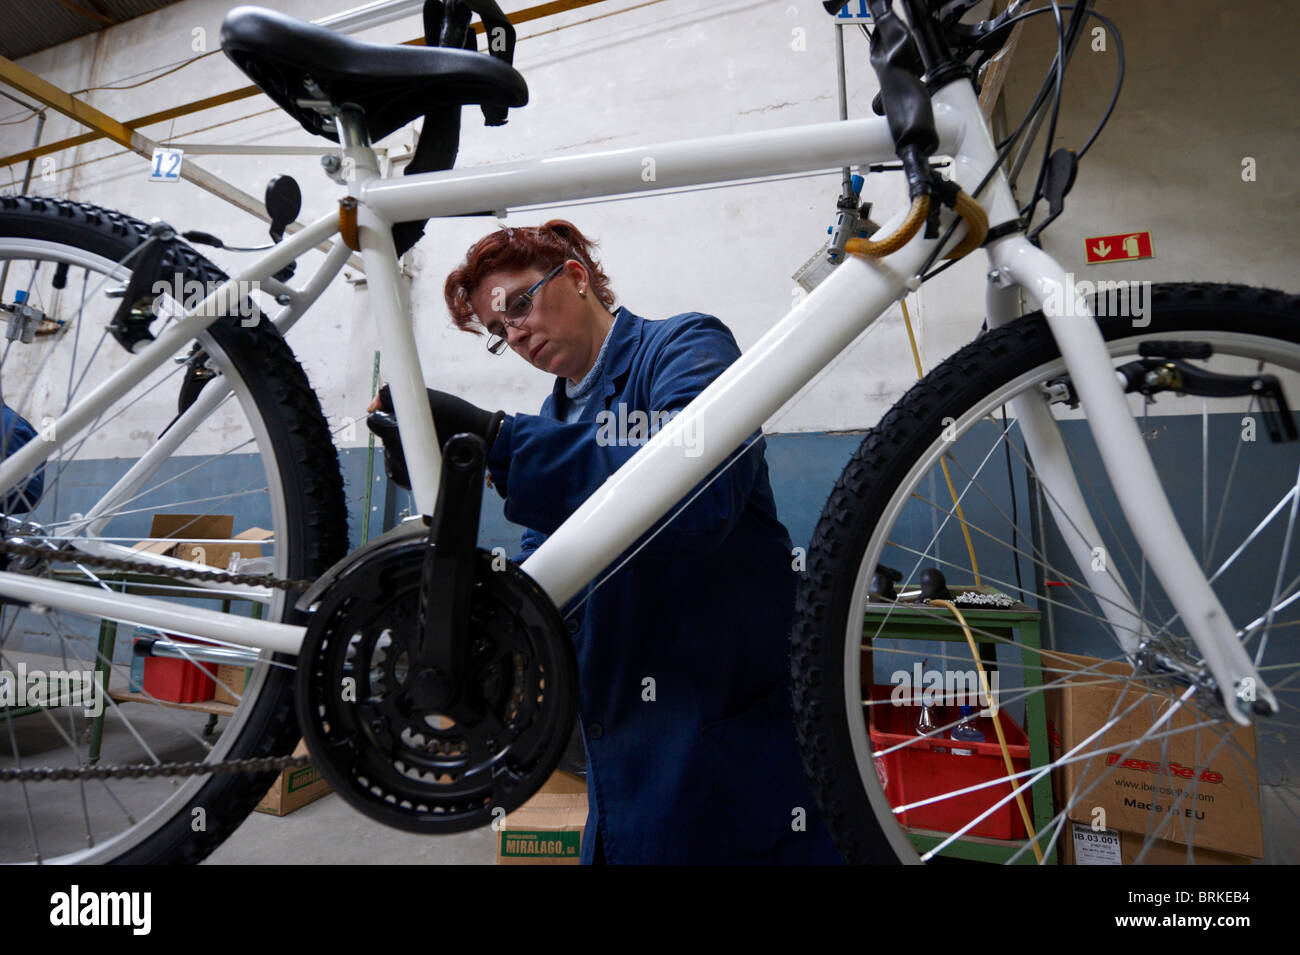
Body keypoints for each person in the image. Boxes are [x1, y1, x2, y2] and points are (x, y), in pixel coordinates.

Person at [371, 220, 841, 864]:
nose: (516, 334)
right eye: (500, 331)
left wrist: (499, 441)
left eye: (518, 305)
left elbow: (700, 496)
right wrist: (466, 610)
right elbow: (549, 568)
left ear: (575, 276)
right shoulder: (555, 417)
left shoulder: (684, 346)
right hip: (621, 728)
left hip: (722, 711)